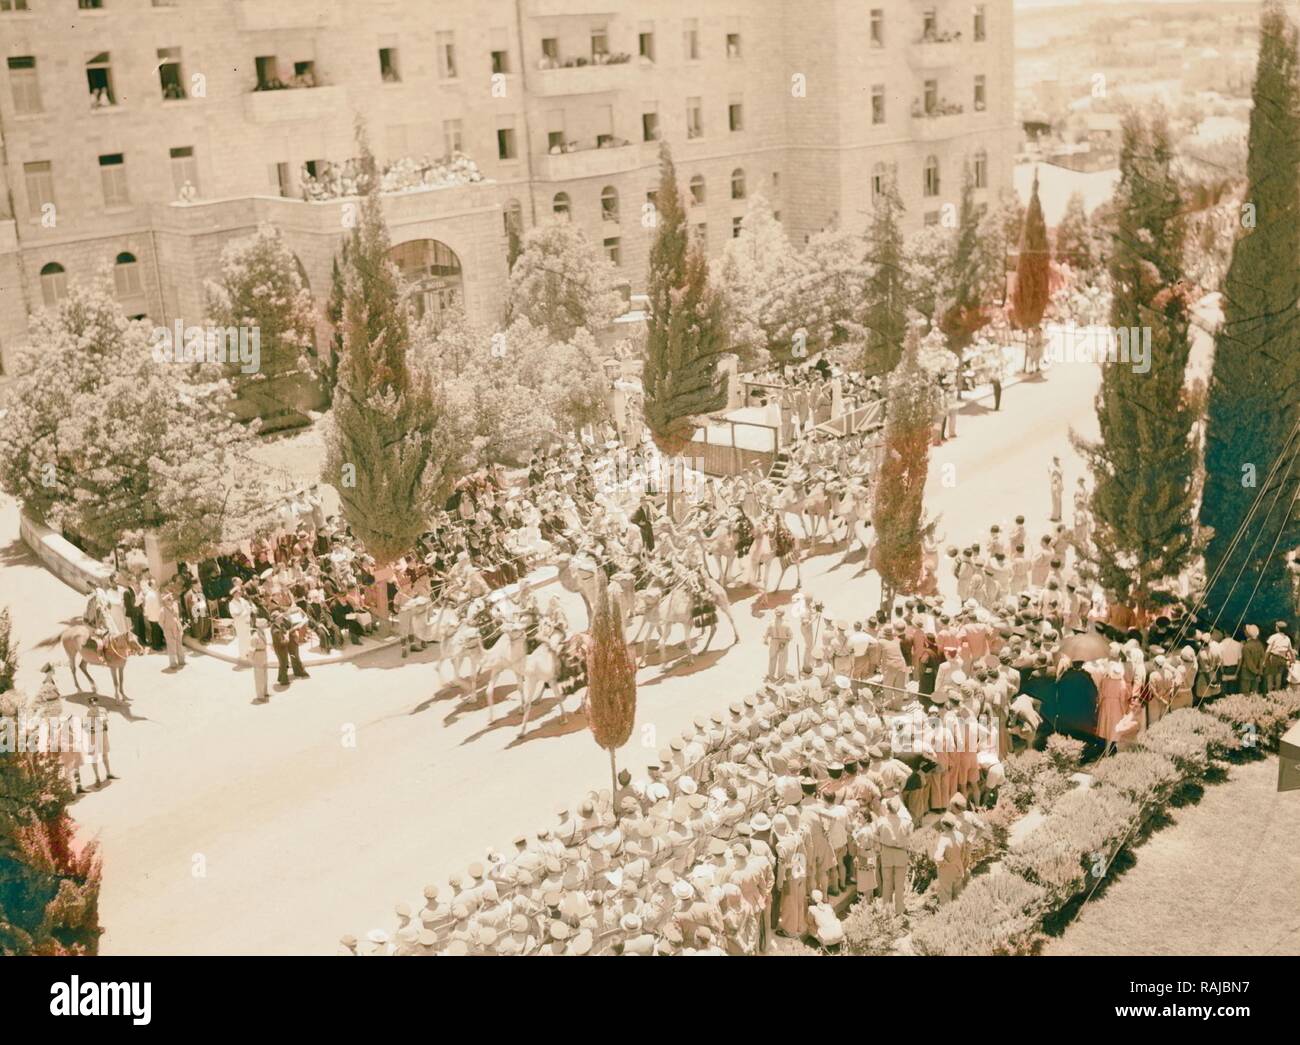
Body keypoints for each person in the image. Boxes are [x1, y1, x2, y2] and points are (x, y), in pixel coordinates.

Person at [873, 796, 913, 916]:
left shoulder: (880, 822)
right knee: (899, 884)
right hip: (901, 853)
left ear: (887, 808)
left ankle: (887, 910)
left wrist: (883, 841)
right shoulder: (907, 823)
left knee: (887, 882)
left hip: (887, 852)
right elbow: (910, 838)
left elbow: (875, 837)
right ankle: (899, 910)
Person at [160, 586, 186, 670]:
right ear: (165, 602)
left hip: (177, 628)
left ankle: (181, 660)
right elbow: (160, 622)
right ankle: (173, 663)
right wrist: (165, 629)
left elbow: (177, 617)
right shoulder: (162, 611)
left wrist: (180, 627)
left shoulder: (175, 606)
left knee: (179, 645)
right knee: (171, 647)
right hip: (168, 630)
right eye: (168, 600)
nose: (171, 601)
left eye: (171, 599)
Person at [1264, 622, 1294, 692]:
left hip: (1274, 658)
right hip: (1283, 659)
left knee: (1270, 676)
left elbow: (1268, 650)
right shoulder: (1287, 638)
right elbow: (1291, 651)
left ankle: (1270, 693)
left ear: (1277, 628)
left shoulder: (1274, 637)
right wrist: (1293, 660)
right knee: (1278, 677)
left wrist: (1265, 661)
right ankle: (1277, 694)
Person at [764, 608, 792, 682]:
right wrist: (786, 641)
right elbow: (791, 636)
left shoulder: (771, 623)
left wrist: (766, 640)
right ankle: (781, 676)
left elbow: (766, 633)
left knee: (772, 658)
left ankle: (771, 675)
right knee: (782, 660)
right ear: (783, 615)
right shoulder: (786, 624)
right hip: (783, 642)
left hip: (773, 641)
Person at [1239, 624, 1266, 695]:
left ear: (1248, 634)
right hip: (1257, 673)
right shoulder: (1260, 645)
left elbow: (1249, 663)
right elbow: (1262, 660)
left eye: (1246, 631)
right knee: (1255, 693)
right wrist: (1259, 672)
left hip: (1246, 674)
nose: (1244, 632)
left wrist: (1256, 672)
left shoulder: (1246, 647)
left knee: (1245, 694)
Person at [250, 618, 271, 703]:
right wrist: (252, 660)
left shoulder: (262, 633)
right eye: (265, 624)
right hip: (258, 656)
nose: (266, 625)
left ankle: (264, 692)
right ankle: (260, 695)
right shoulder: (255, 636)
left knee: (265, 675)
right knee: (259, 677)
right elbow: (251, 650)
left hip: (263, 655)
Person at [1049, 456, 1063, 522]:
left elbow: (1059, 475)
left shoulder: (1059, 467)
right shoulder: (1053, 466)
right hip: (1055, 484)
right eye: (1055, 459)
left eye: (1057, 459)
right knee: (1055, 500)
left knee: (1057, 500)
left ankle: (1057, 516)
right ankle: (1056, 515)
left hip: (1057, 484)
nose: (1056, 460)